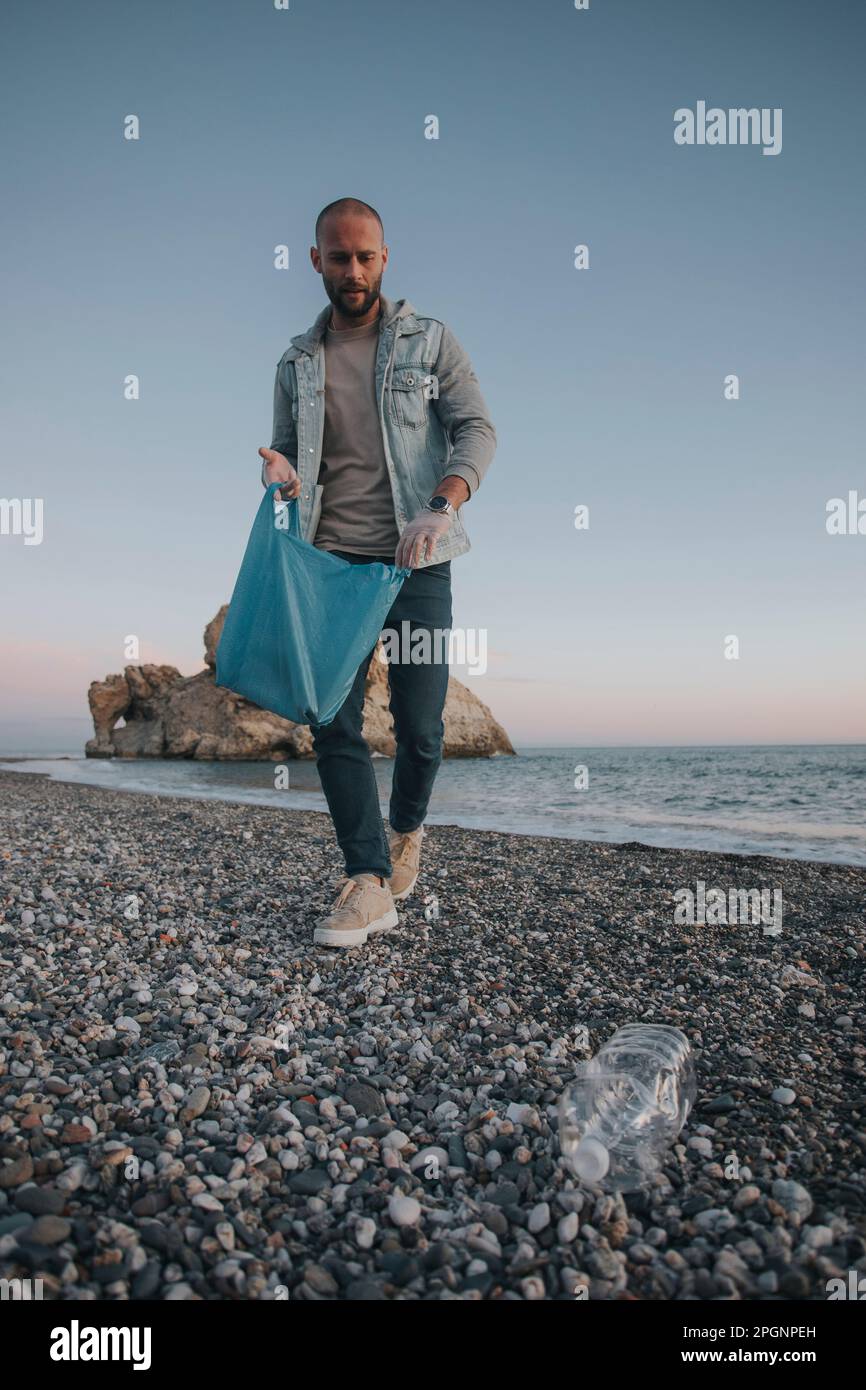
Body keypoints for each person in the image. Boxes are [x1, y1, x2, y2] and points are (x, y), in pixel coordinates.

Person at [258, 197, 495, 947]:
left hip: (416, 561)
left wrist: (443, 504)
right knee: (332, 720)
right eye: (338, 256)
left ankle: (406, 833)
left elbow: (477, 429)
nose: (352, 269)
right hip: (330, 565)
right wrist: (280, 473)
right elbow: (289, 452)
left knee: (421, 729)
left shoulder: (431, 341)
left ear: (384, 259)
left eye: (365, 256)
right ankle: (366, 879)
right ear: (315, 260)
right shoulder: (296, 362)